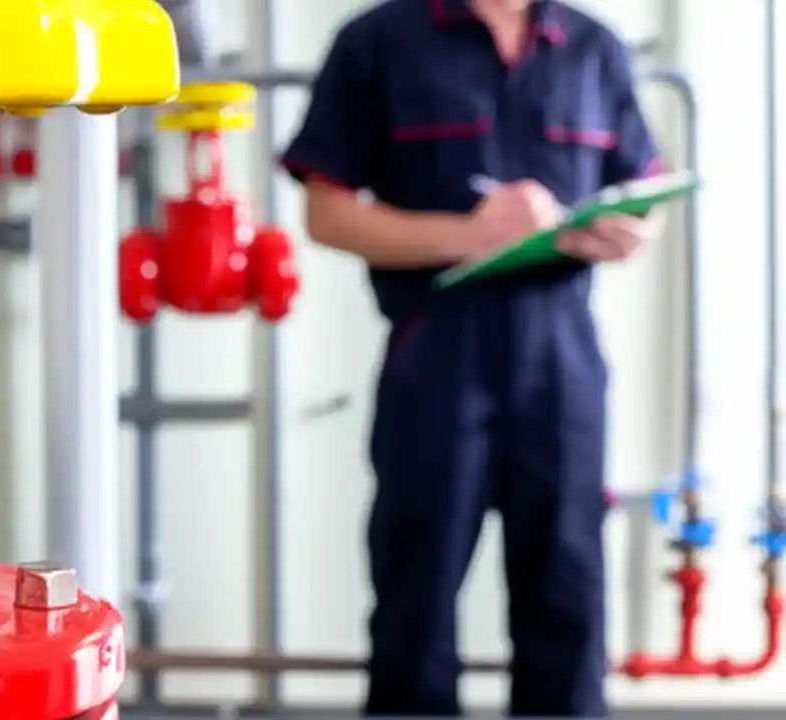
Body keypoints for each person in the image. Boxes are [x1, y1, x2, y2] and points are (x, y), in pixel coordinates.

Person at [280, 0, 666, 716]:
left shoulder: (592, 46)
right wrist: (470, 233)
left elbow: (647, 191)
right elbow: (327, 213)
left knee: (568, 590)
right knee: (415, 593)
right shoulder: (378, 41)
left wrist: (624, 230)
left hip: (563, 351)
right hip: (437, 348)